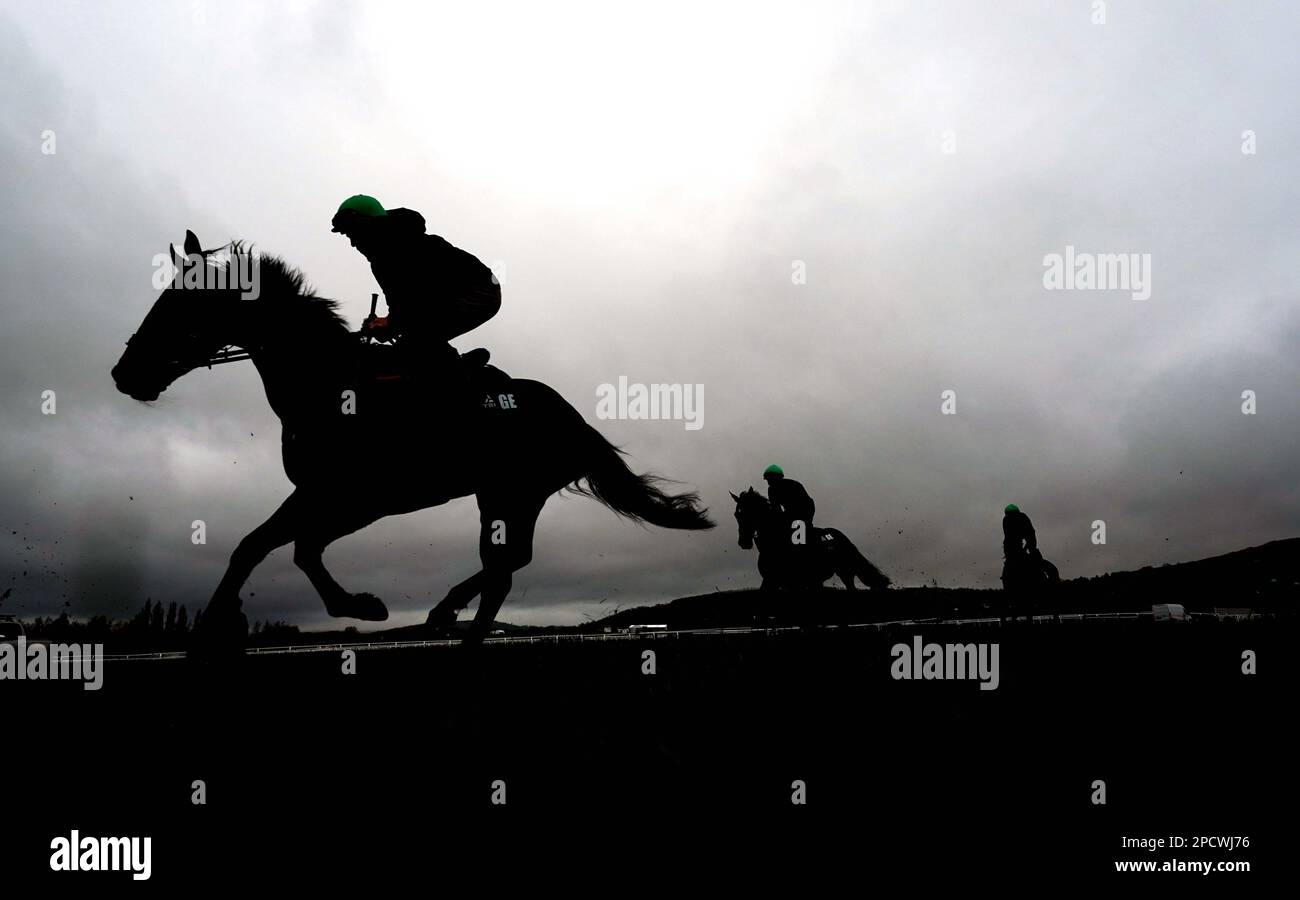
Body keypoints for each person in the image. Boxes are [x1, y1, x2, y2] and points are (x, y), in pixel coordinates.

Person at [330, 194, 501, 389]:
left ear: (368, 224)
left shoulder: (405, 244)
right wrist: (387, 324)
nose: (353, 243)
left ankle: (461, 370)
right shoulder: (382, 259)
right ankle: (455, 366)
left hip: (480, 289)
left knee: (416, 342)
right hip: (449, 295)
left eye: (353, 233)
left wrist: (392, 323)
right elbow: (403, 304)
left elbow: (420, 301)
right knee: (413, 339)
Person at [763, 464, 816, 532]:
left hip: (805, 509)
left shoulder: (793, 485)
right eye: (767, 479)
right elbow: (776, 508)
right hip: (791, 511)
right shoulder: (771, 490)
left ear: (776, 477)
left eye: (769, 479)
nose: (768, 482)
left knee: (800, 528)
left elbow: (801, 505)